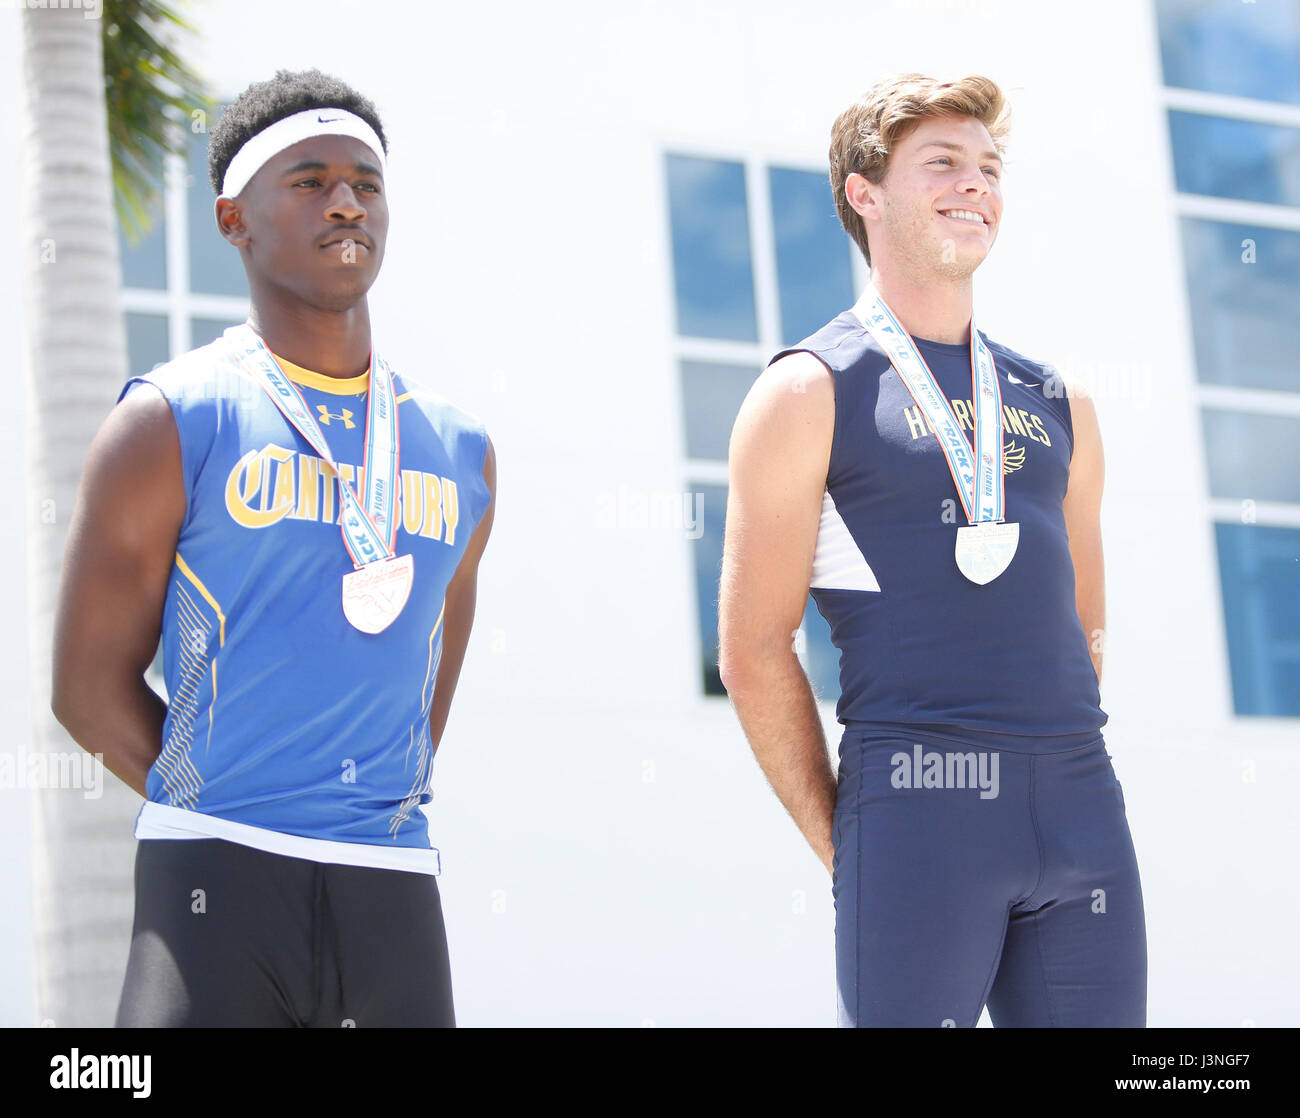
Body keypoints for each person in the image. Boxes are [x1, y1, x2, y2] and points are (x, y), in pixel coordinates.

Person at [52, 68, 495, 1027]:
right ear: (232, 220)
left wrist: (364, 801)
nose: (346, 202)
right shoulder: (169, 420)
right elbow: (84, 688)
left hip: (391, 884)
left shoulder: (462, 451)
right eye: (309, 179)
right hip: (213, 879)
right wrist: (232, 795)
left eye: (365, 183)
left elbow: (425, 690)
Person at [718, 73, 1145, 1027]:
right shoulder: (806, 392)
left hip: (1083, 807)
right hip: (916, 805)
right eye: (942, 163)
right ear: (863, 194)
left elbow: (1087, 616)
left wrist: (1061, 745)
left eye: (989, 167)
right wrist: (856, 841)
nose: (976, 185)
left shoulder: (1056, 399)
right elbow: (751, 651)